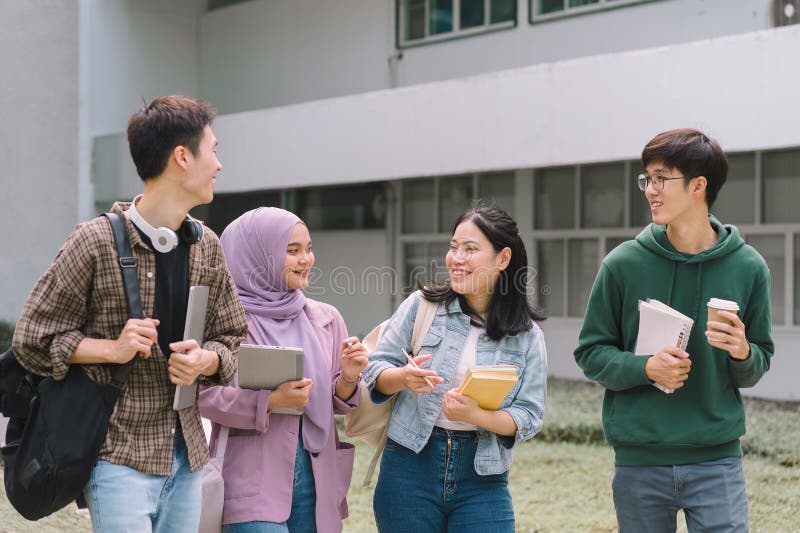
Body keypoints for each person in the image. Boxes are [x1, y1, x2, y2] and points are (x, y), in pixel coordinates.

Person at [12, 95, 248, 531]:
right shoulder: (94, 242)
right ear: (182, 157)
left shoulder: (207, 247)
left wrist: (205, 360)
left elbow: (231, 337)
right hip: (118, 456)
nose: (218, 164)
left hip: (187, 457)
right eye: (213, 151)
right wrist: (110, 348)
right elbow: (31, 340)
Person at [574, 128, 774, 532]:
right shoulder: (622, 264)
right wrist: (645, 368)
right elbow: (590, 354)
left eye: (662, 179)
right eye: (647, 179)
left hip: (717, 460)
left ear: (698, 186)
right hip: (639, 462)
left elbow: (757, 364)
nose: (651, 190)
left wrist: (742, 351)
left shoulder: (749, 267)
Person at [363, 204, 547, 533]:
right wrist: (403, 378)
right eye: (453, 247)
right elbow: (375, 368)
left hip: (483, 477)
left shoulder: (527, 335)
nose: (456, 258)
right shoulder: (422, 306)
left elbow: (528, 416)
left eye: (470, 249)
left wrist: (476, 415)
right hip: (409, 466)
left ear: (503, 259)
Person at [199, 207, 368, 533]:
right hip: (252, 482)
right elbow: (203, 396)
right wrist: (270, 401)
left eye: (308, 248)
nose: (306, 259)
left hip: (317, 481)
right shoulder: (225, 321)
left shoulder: (326, 318)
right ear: (256, 256)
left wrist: (349, 377)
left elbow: (338, 401)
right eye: (292, 251)